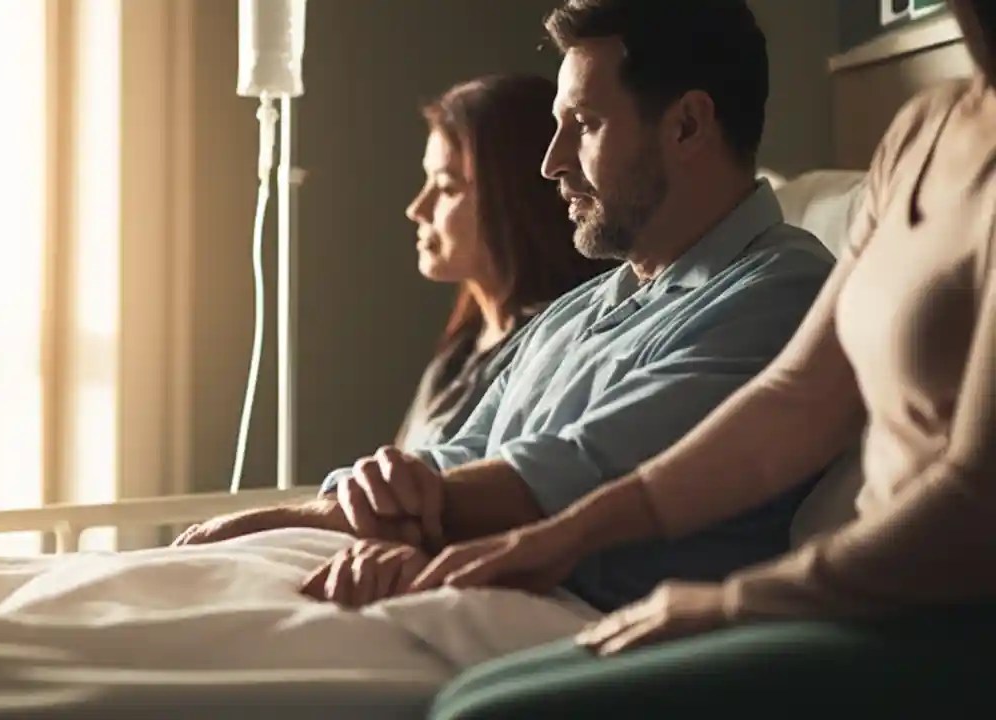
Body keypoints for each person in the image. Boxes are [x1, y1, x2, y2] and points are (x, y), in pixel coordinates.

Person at [414, 0, 996, 716]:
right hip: (856, 604)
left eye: (586, 124)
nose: (552, 161)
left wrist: (734, 602)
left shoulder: (768, 284)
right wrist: (562, 537)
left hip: (948, 625)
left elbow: (976, 509)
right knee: (472, 696)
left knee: (483, 713)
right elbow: (796, 395)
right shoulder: (922, 130)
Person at [178, 0, 833, 616]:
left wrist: (301, 516)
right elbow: (455, 459)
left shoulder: (778, 294)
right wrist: (365, 490)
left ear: (687, 125)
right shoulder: (580, 310)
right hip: (471, 576)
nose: (551, 163)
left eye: (585, 125)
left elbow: (554, 486)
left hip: (581, 617)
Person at [395, 74, 616, 452]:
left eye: (447, 188)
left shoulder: (555, 352)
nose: (418, 209)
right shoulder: (459, 354)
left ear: (512, 201)